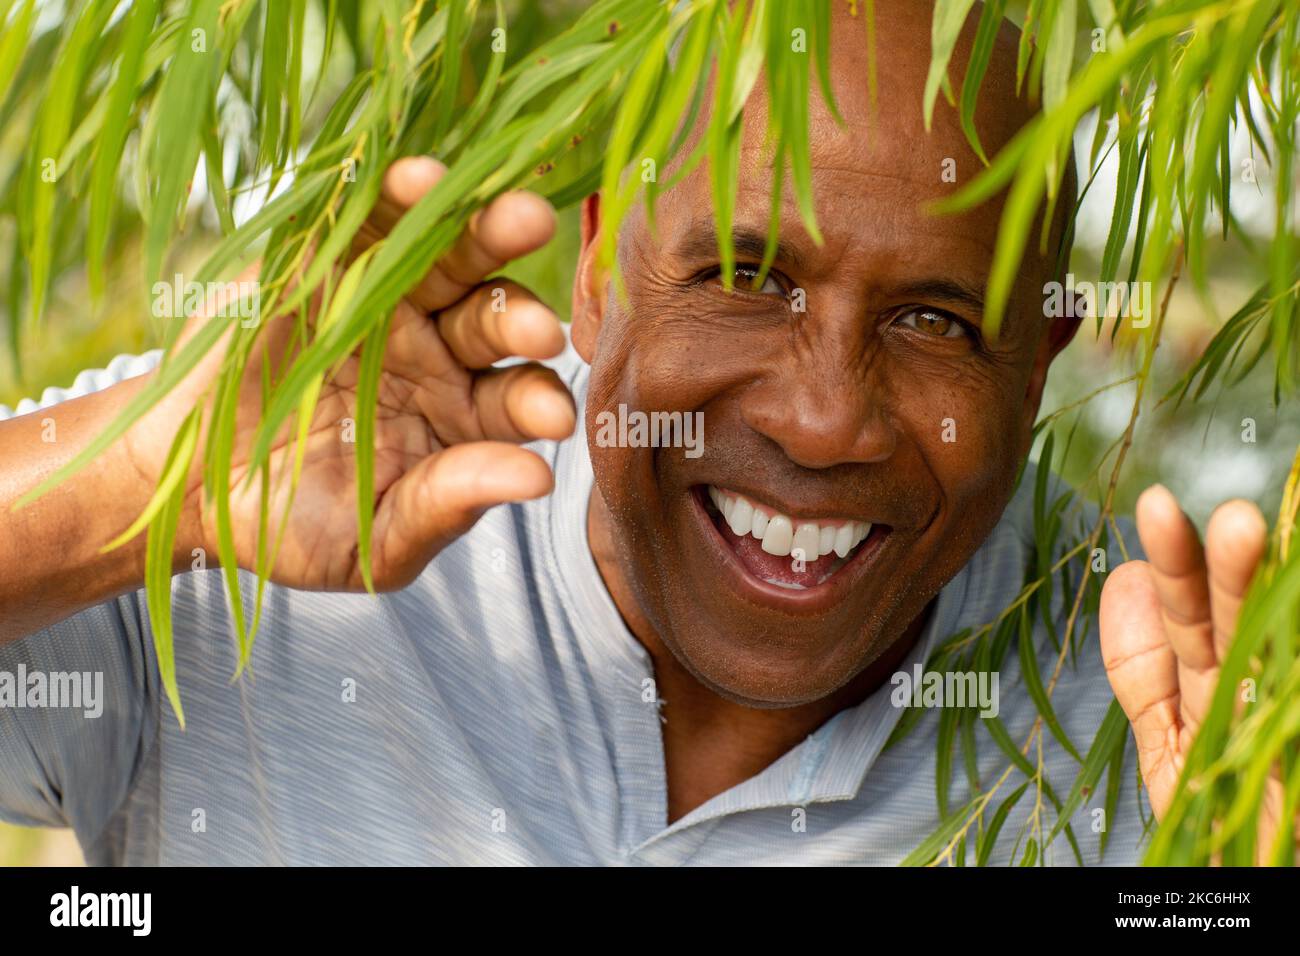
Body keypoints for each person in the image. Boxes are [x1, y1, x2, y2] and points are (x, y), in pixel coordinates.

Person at [0, 1, 1278, 865]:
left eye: (935, 320)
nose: (825, 418)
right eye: (740, 271)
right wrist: (130, 494)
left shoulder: (1171, 720)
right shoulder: (268, 490)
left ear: (1039, 359)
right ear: (599, 265)